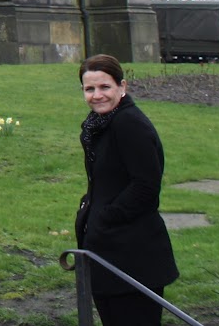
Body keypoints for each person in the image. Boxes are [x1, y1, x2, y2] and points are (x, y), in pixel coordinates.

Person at [76, 55, 179, 326]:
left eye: (105, 87)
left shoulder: (128, 123)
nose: (97, 95)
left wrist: (106, 217)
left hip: (132, 253)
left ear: (122, 86)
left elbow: (146, 187)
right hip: (106, 248)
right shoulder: (100, 123)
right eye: (90, 89)